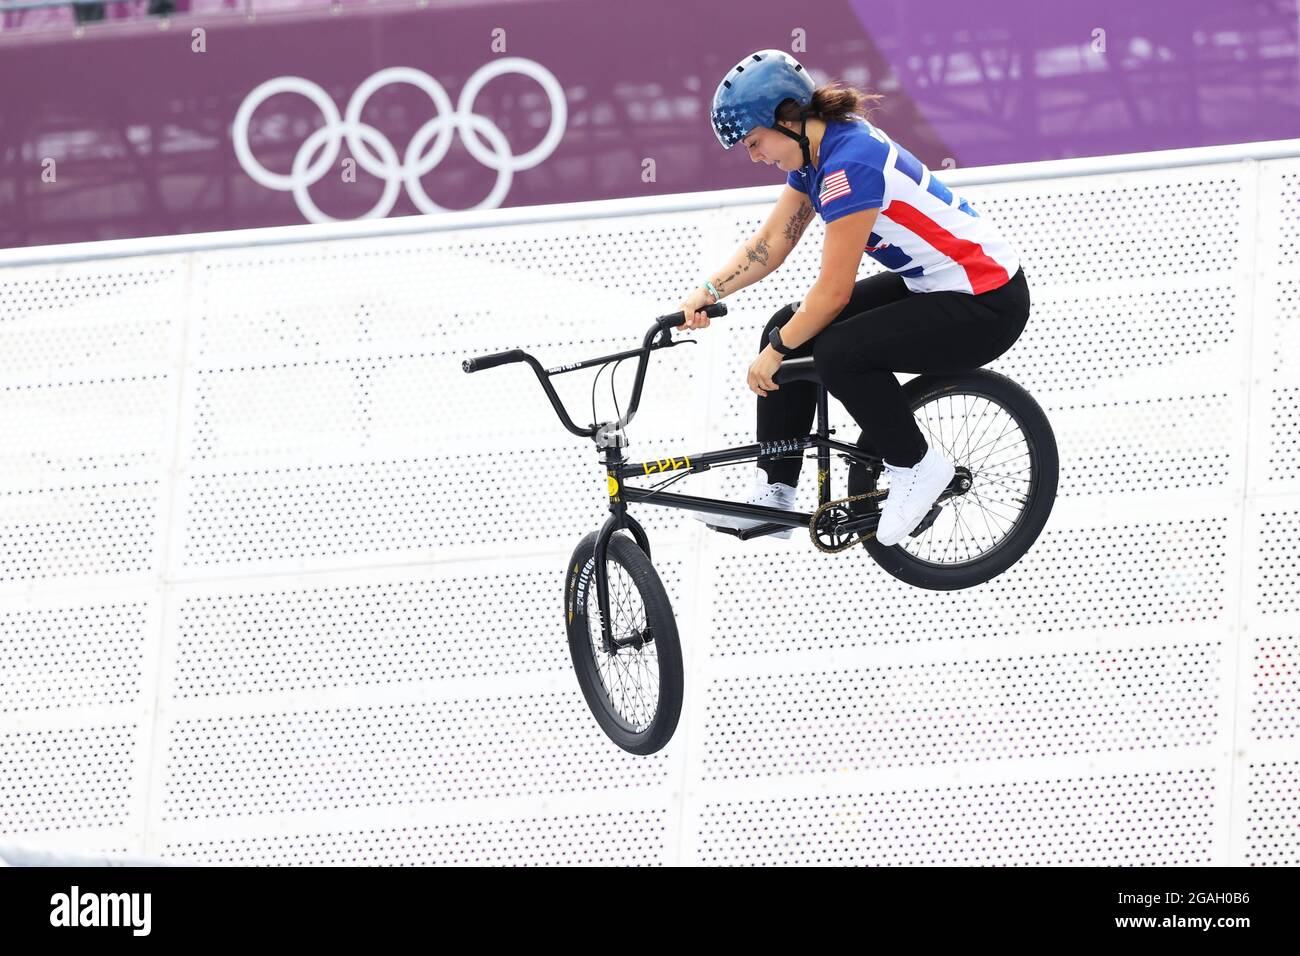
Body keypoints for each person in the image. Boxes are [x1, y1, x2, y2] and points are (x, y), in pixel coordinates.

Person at [682, 49, 1030, 546]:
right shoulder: (818, 155)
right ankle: (775, 496)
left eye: (755, 142)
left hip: (987, 302)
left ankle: (917, 466)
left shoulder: (851, 167)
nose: (754, 156)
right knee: (787, 323)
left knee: (836, 350)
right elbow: (771, 243)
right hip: (937, 283)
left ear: (789, 118)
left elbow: (832, 293)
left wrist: (776, 354)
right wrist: (707, 291)